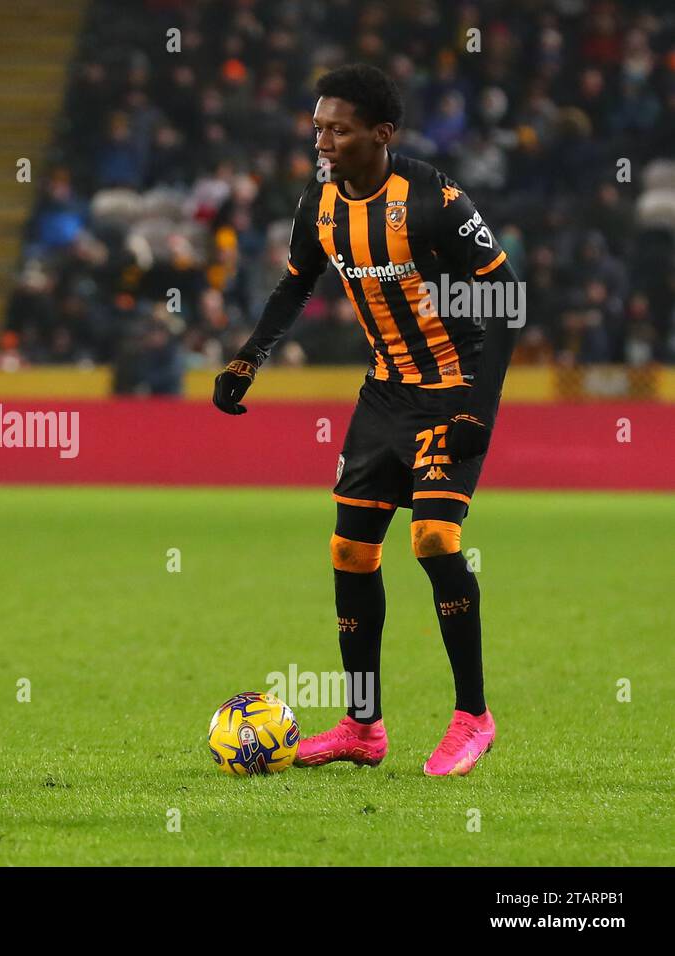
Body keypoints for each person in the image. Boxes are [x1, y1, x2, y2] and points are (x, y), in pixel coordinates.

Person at [213, 65, 521, 776]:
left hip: (454, 390)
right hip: (384, 396)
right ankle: (362, 725)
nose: (323, 140)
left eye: (339, 129)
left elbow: (505, 297)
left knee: (436, 538)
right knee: (351, 553)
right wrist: (247, 358)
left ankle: (473, 716)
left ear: (382, 134)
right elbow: (297, 281)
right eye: (318, 126)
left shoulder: (434, 200)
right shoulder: (319, 201)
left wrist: (480, 407)